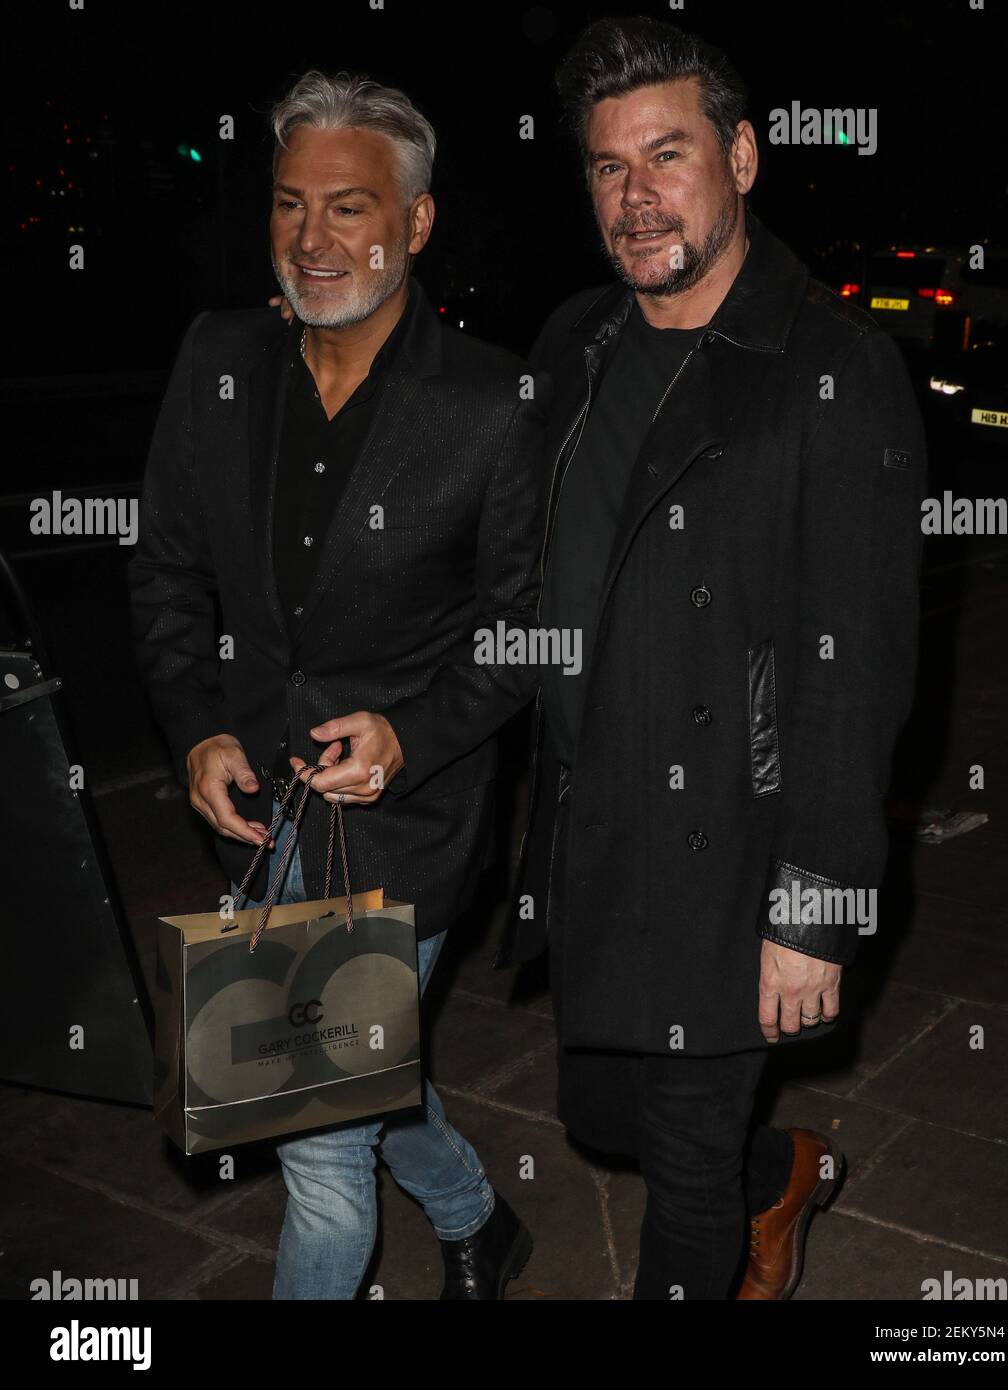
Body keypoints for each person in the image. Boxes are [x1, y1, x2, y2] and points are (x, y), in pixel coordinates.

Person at [496, 16, 927, 1301]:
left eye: (666, 154)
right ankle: (775, 1175)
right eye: (607, 166)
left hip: (734, 847)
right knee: (605, 1118)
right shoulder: (572, 345)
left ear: (739, 157)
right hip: (597, 833)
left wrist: (814, 907)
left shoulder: (833, 369)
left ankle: (732, 1200)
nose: (636, 196)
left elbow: (859, 670)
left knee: (678, 1172)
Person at [130, 70, 544, 1300]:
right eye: (289, 205)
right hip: (259, 821)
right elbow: (163, 572)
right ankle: (478, 1216)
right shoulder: (218, 356)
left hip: (400, 835)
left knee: (316, 1145)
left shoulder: (491, 403)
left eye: (350, 207)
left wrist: (411, 736)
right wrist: (197, 728)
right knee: (348, 1079)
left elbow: (527, 633)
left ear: (414, 223)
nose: (314, 240)